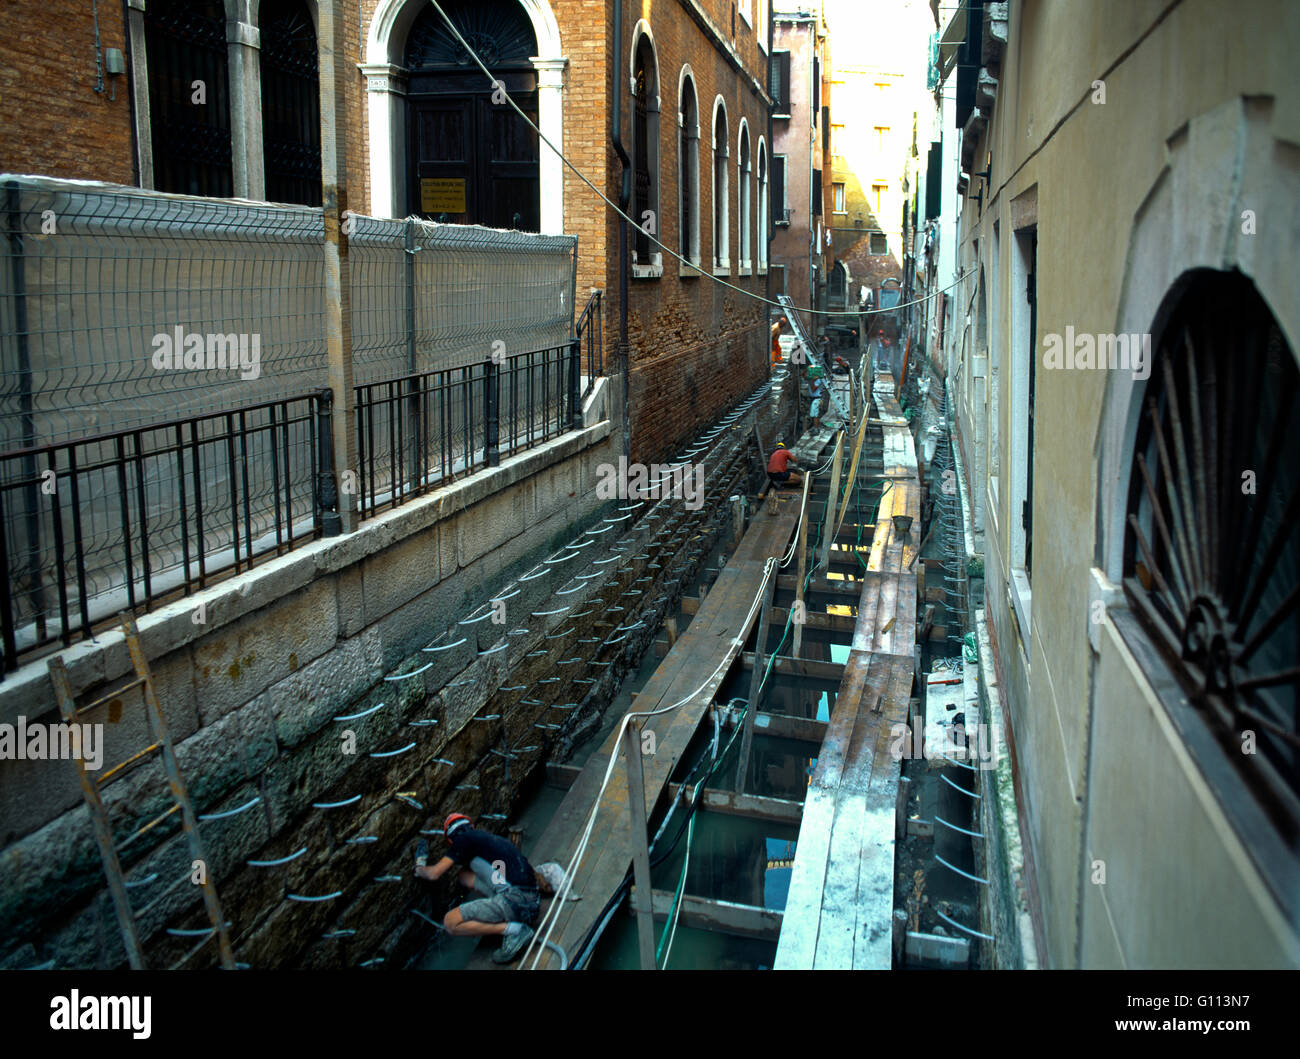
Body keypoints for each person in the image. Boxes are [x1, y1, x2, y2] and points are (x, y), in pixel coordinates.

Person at [414, 812, 541, 963]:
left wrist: (419, 867)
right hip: (532, 902)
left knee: (450, 922)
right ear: (471, 826)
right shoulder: (492, 840)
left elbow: (434, 874)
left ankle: (514, 931)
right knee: (463, 875)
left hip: (515, 902)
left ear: (450, 840)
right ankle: (504, 913)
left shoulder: (462, 840)